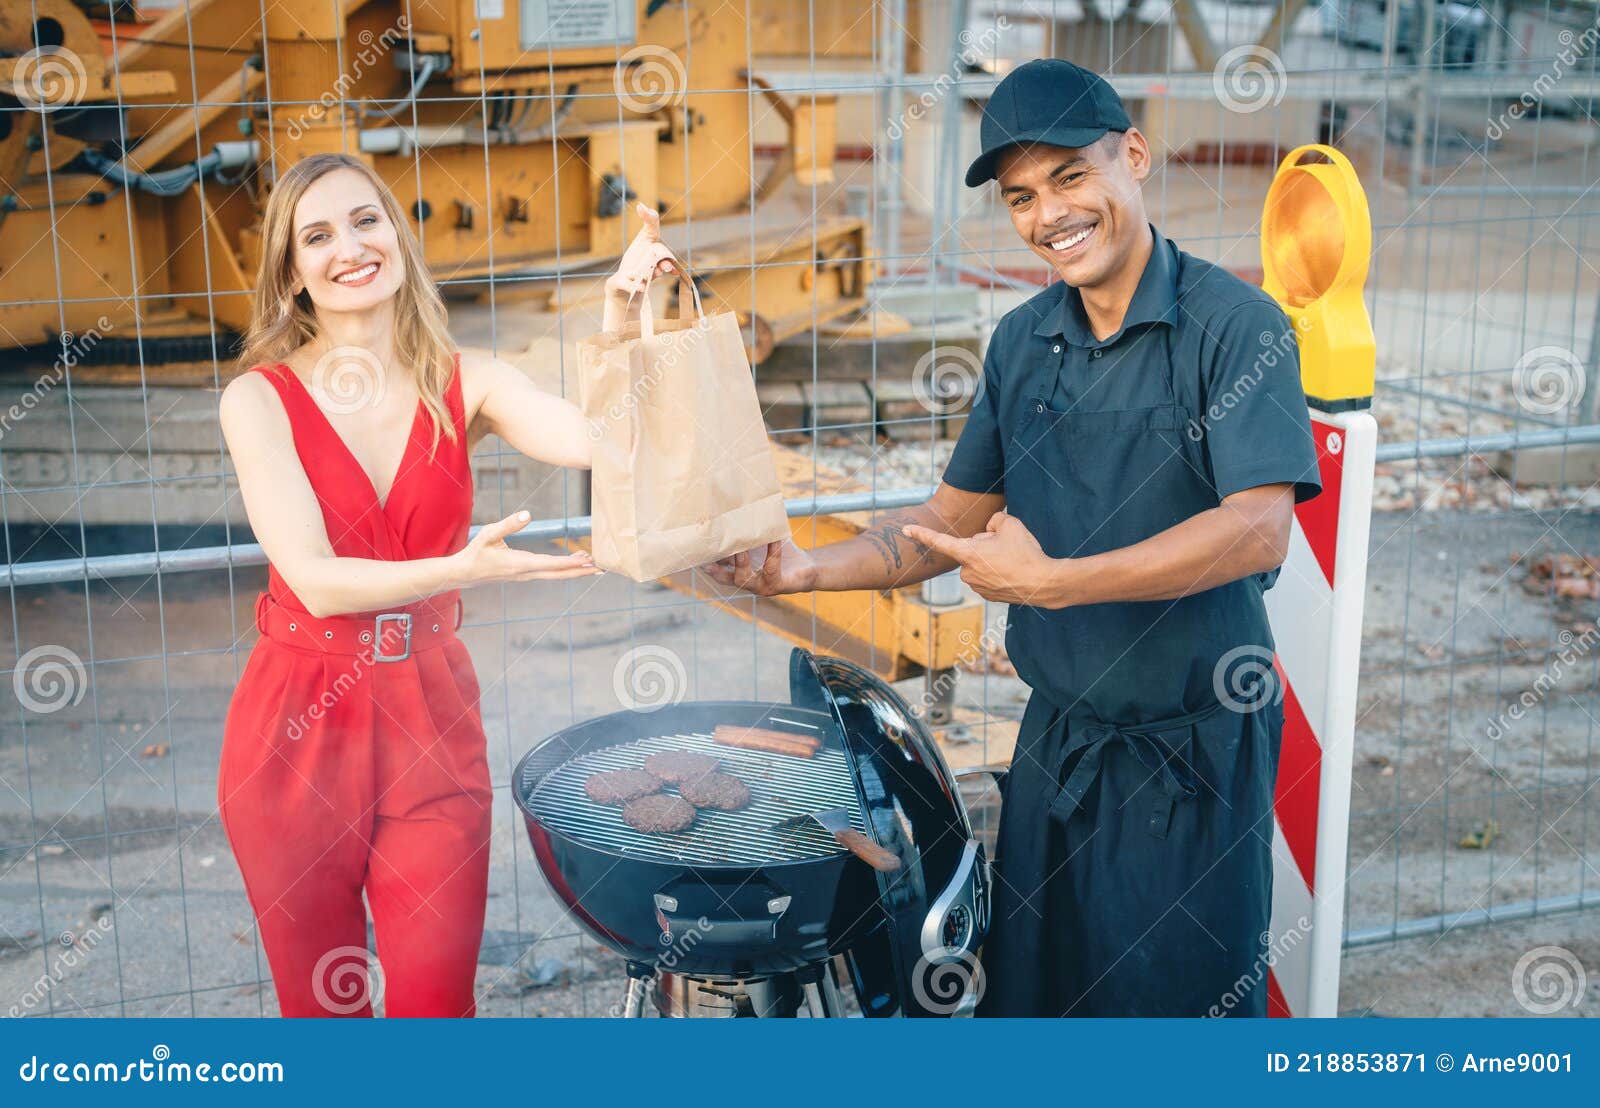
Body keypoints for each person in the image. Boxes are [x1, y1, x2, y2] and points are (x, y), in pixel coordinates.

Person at [707, 59, 1322, 1017]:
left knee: (1172, 1020)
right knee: (1037, 1004)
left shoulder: (1236, 328)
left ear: (1135, 156)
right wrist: (802, 569)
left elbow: (1255, 529)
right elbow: (946, 523)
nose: (1050, 215)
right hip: (1058, 748)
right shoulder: (1025, 337)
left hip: (1188, 760)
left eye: (1072, 177)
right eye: (1022, 197)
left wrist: (1055, 585)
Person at [217, 152, 675, 1017]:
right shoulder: (258, 399)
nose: (349, 246)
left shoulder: (471, 381)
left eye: (365, 220)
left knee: (438, 1009)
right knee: (322, 1017)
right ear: (290, 271)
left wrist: (620, 314)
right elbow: (313, 582)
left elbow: (601, 441)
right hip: (295, 730)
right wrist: (462, 568)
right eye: (317, 235)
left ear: (396, 232)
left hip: (430, 722)